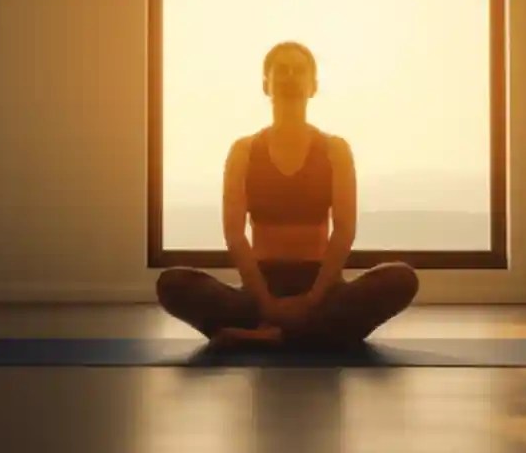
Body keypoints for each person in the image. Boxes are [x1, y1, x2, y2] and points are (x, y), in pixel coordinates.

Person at [156, 41, 419, 350]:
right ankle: (309, 334)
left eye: (299, 71)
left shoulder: (336, 150)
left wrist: (312, 299)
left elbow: (344, 230)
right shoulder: (245, 151)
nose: (290, 77)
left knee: (401, 279)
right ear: (266, 84)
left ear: (313, 86)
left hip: (322, 286)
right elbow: (235, 234)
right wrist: (266, 302)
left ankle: (266, 334)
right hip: (261, 285)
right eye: (281, 70)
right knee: (172, 284)